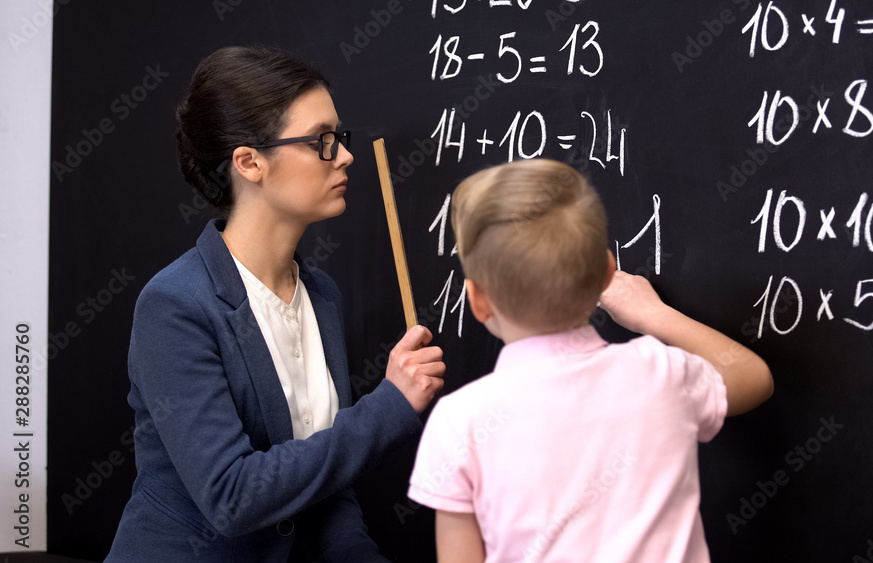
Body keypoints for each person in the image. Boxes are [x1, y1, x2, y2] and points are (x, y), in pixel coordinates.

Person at [107, 46, 446, 561]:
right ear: (249, 162)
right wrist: (389, 406)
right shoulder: (175, 305)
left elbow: (326, 483)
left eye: (340, 138)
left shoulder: (321, 295)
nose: (346, 155)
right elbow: (232, 496)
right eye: (322, 142)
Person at [406, 159, 773, 562]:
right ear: (607, 271)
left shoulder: (460, 422)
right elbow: (753, 376)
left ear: (477, 300)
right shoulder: (661, 373)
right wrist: (654, 314)